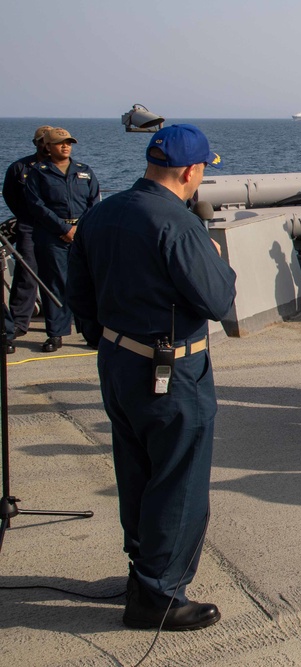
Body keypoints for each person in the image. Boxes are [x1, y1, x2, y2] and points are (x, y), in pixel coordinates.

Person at [66, 124, 236, 630]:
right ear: (191, 170)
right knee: (178, 481)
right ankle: (158, 595)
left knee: (137, 473)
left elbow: (79, 292)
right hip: (171, 368)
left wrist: (109, 342)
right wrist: (219, 262)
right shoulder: (179, 224)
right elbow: (218, 301)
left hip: (119, 361)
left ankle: (142, 574)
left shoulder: (103, 212)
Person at [23, 128, 101, 352]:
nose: (65, 147)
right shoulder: (39, 173)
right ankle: (56, 333)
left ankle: (91, 333)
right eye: (59, 143)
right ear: (48, 147)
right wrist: (63, 228)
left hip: (81, 234)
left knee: (86, 283)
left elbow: (94, 202)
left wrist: (80, 228)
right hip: (52, 235)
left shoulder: (84, 171)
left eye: (68, 143)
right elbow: (37, 206)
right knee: (56, 284)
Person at [3, 124, 52, 346]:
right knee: (27, 274)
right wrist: (26, 218)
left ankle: (62, 324)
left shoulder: (66, 168)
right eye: (44, 141)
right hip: (29, 227)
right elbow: (11, 196)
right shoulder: (19, 168)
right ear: (37, 143)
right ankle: (19, 322)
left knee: (62, 275)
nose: (48, 145)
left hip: (60, 229)